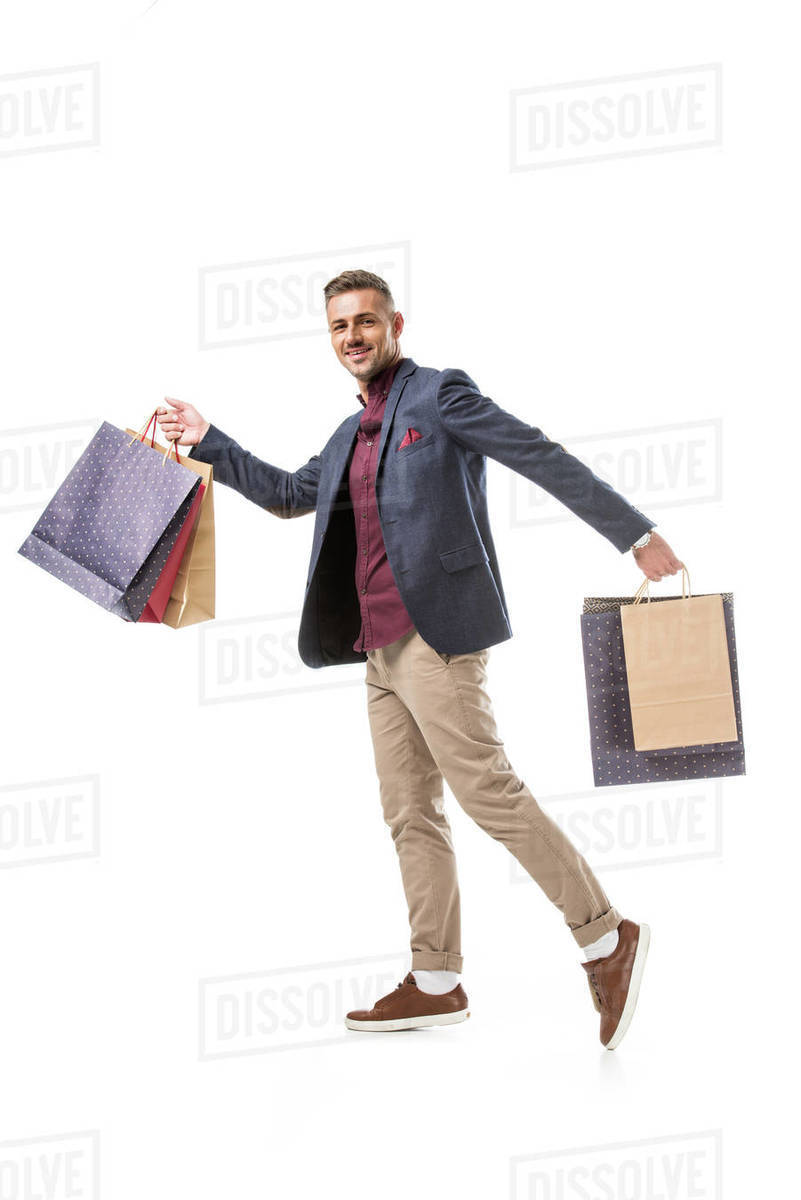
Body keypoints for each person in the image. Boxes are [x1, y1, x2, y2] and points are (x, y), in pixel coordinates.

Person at [157, 269, 684, 1049]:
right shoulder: (346, 435)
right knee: (409, 813)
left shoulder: (441, 397)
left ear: (394, 323)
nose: (353, 337)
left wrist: (634, 536)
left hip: (438, 640)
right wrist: (210, 441)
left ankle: (606, 939)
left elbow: (537, 455)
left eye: (365, 321)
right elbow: (286, 494)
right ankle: (436, 980)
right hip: (376, 653)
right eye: (339, 327)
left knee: (488, 795)